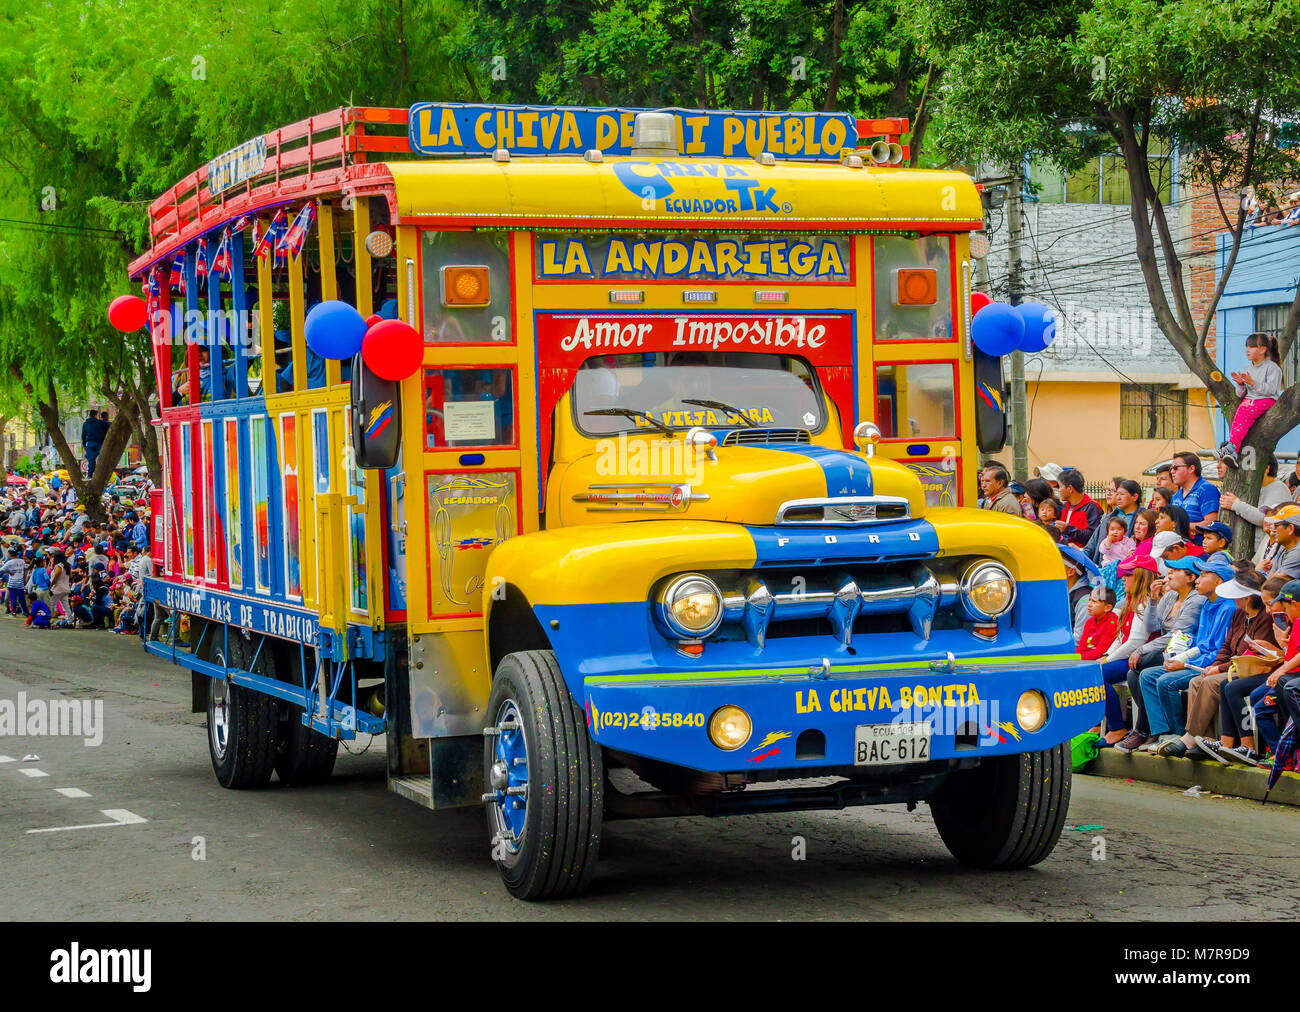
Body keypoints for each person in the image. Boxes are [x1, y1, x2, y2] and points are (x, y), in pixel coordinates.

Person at [1157, 570, 1274, 757]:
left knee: (1214, 682)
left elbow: (1251, 654)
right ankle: (1205, 740)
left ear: (1248, 597)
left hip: (1252, 669)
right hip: (1232, 667)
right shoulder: (1239, 614)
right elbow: (1227, 646)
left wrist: (1218, 668)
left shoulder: (1265, 619)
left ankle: (1192, 738)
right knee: (1197, 681)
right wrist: (1215, 666)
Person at [1134, 556, 1236, 752]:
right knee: (1147, 675)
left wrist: (1184, 664)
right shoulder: (1208, 604)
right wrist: (1181, 659)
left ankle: (1180, 734)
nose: (1198, 579)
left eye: (1204, 575)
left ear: (1219, 582)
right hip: (1197, 659)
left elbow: (1217, 650)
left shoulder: (1228, 608)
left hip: (1211, 664)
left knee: (1166, 682)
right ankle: (1162, 732)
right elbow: (1200, 643)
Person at [1096, 558, 1157, 744]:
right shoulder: (1129, 602)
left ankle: (1116, 727)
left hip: (1142, 657)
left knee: (1097, 676)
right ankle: (1099, 724)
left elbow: (1135, 642)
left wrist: (1107, 661)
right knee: (1093, 672)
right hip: (1128, 656)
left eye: (1129, 575)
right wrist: (1105, 656)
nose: (1123, 578)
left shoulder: (1145, 603)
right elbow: (1120, 637)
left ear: (1142, 577)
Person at [1218, 332, 1284, 468]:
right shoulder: (1247, 368)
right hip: (1250, 401)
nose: (1247, 350)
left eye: (1252, 347)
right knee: (1238, 416)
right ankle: (1234, 452)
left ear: (1263, 349)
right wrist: (1241, 384)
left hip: (1266, 400)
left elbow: (1271, 389)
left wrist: (1253, 382)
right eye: (1246, 347)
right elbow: (1241, 394)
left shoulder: (1272, 368)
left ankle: (1232, 447)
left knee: (1245, 411)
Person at [1220, 456, 1290, 554]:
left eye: (1250, 467)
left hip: (1270, 553)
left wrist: (1236, 505)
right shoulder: (1254, 489)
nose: (1247, 471)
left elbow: (1266, 520)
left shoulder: (1279, 489)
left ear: (1266, 468)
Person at [1086, 478, 1142, 560]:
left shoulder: (1143, 517)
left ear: (1134, 497)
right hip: (1106, 567)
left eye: (1122, 494)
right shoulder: (1109, 518)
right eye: (1117, 494)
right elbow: (1092, 545)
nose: (1118, 498)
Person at [1170, 450, 1220, 540]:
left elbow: (1212, 524)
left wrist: (1182, 526)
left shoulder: (1206, 490)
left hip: (1200, 550)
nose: (1172, 472)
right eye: (1171, 468)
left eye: (1175, 468)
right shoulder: (1175, 496)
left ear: (1191, 469)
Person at [1054, 469, 1101, 548]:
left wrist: (1068, 529)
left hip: (1080, 556)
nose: (1058, 490)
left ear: (1070, 488)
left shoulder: (1092, 507)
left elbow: (1094, 535)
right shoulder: (1065, 506)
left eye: (1060, 486)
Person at [1078, 586, 1119, 660]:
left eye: (1094, 601)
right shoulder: (1089, 622)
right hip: (1085, 659)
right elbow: (1081, 648)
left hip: (1101, 662)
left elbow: (1100, 652)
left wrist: (1078, 658)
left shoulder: (1112, 624)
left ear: (1107, 608)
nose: (1089, 604)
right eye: (1089, 600)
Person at [1261, 503, 1300, 576]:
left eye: (1276, 525)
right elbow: (1270, 578)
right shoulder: (1283, 547)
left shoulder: (1298, 551)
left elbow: (1272, 584)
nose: (1272, 528)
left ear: (1290, 529)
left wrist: (1258, 571)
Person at [2, 548, 26, 616]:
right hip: (20, 583)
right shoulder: (22, 561)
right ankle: (25, 612)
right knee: (21, 599)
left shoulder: (9, 562)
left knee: (13, 599)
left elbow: (1, 569)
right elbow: (26, 568)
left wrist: (9, 572)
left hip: (12, 584)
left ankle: (13, 612)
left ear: (10, 555)